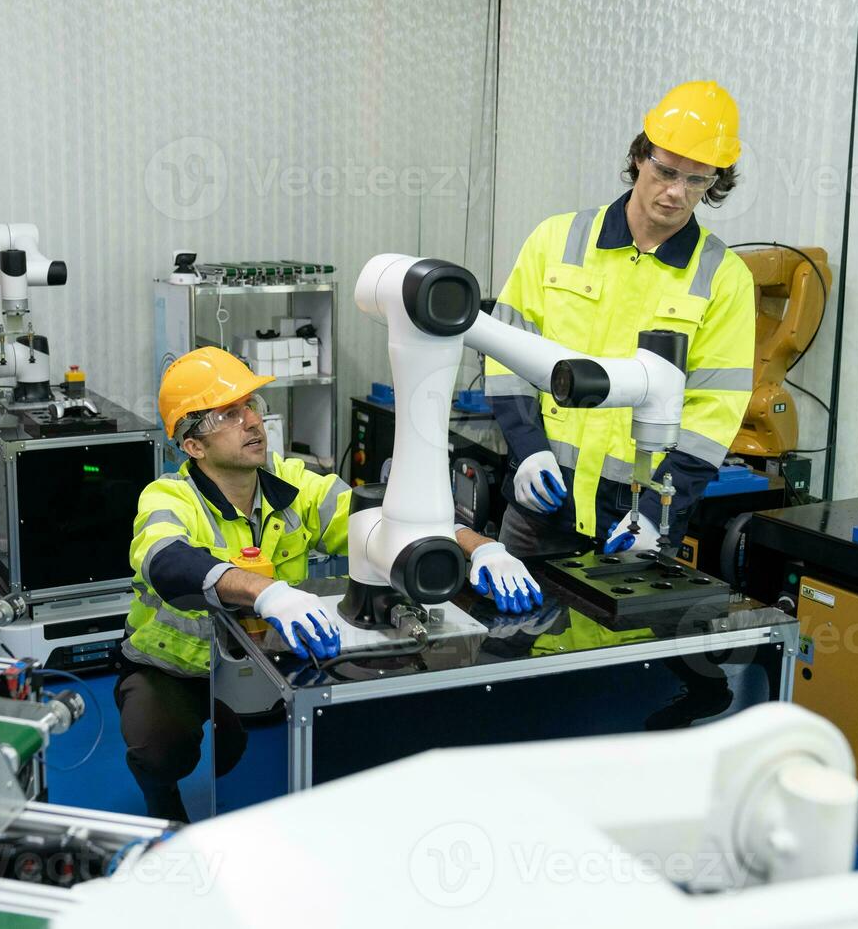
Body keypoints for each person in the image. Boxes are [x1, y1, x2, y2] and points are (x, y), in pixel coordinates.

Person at [115, 346, 544, 820]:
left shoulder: (293, 483)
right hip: (174, 668)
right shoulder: (169, 497)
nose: (252, 422)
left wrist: (479, 546)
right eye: (228, 415)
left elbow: (386, 522)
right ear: (193, 446)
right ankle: (161, 798)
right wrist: (264, 592)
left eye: (250, 406)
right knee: (161, 749)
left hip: (264, 663)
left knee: (257, 752)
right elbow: (165, 560)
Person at [486, 80, 755, 556]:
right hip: (539, 507)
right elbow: (506, 351)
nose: (676, 193)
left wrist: (654, 513)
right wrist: (527, 448)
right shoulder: (556, 240)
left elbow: (713, 412)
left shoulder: (724, 277)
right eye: (666, 171)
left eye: (697, 181)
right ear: (640, 156)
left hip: (638, 523)